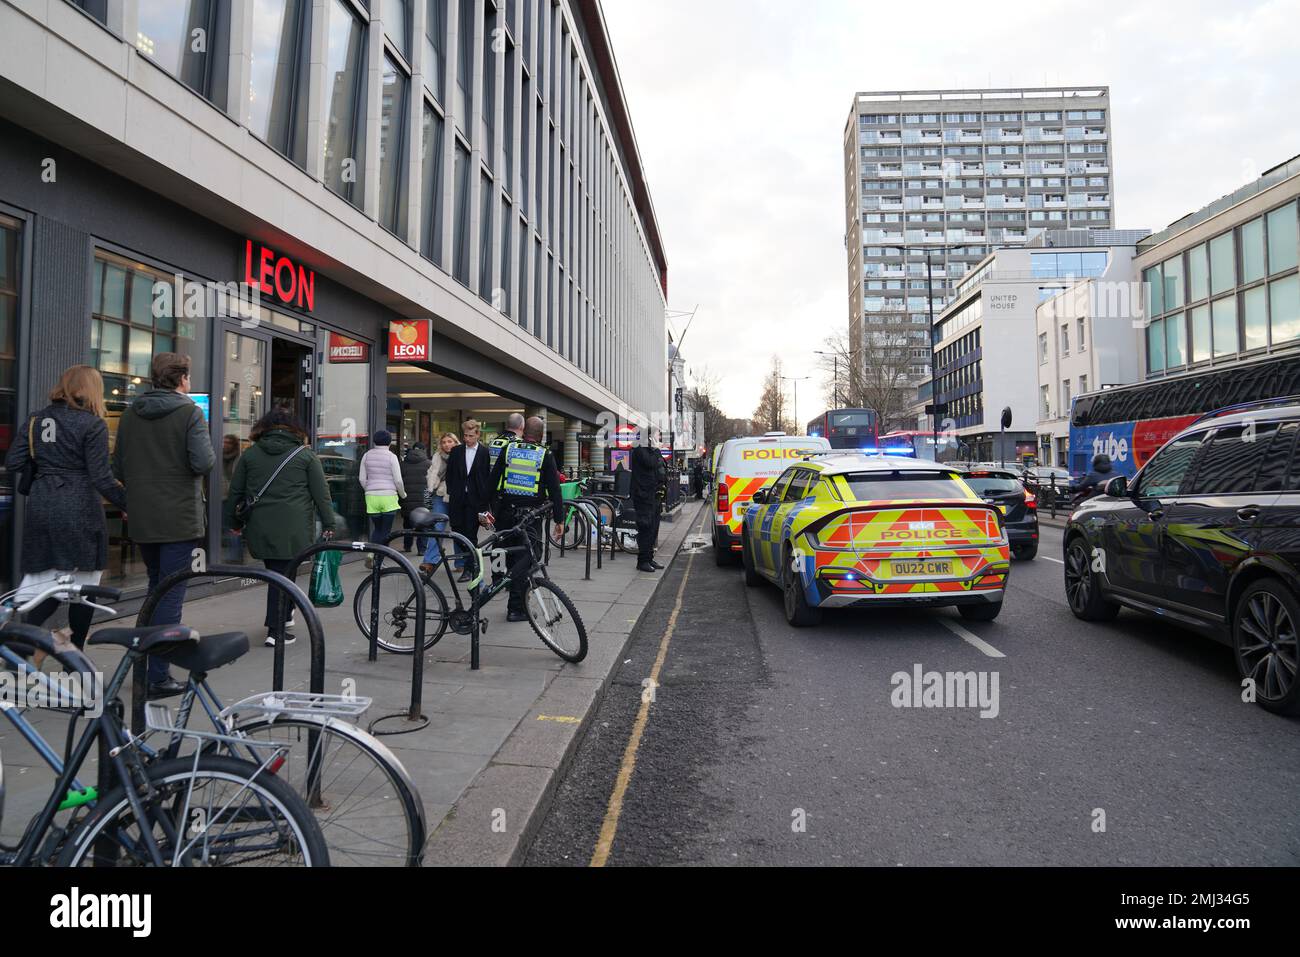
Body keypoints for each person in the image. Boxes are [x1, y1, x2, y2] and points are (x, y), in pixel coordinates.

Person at [111, 352, 215, 699]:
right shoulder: (189, 413)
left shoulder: (130, 415)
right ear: (182, 378)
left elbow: (119, 469)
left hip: (143, 517)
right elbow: (203, 461)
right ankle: (157, 676)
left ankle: (145, 664)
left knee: (156, 589)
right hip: (178, 519)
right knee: (170, 593)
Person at [5, 366, 128, 656]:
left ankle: (18, 657)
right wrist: (129, 505)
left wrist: (46, 470)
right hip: (79, 510)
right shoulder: (92, 424)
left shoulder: (36, 419)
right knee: (83, 591)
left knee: (44, 585)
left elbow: (13, 462)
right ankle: (76, 661)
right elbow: (100, 477)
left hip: (42, 506)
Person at [224, 409, 341, 646]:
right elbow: (322, 494)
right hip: (294, 527)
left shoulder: (251, 454)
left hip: (260, 526)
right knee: (284, 575)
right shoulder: (305, 456)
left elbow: (235, 492)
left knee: (278, 573)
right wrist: (329, 523)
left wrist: (234, 523)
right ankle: (275, 632)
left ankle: (285, 616)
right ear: (295, 430)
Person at [486, 416, 566, 622]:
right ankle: (516, 607)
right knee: (529, 556)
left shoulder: (509, 449)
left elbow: (493, 480)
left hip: (505, 513)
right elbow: (555, 490)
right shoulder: (544, 455)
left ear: (524, 431)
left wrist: (485, 509)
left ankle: (500, 584)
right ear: (540, 436)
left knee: (507, 553)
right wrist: (560, 519)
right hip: (529, 517)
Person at [445, 418, 493, 582]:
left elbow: (486, 476)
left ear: (478, 435)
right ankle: (471, 562)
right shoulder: (456, 451)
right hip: (458, 499)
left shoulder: (484, 452)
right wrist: (452, 491)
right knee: (458, 532)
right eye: (465, 435)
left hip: (476, 500)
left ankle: (469, 568)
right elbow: (449, 474)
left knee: (471, 534)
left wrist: (485, 500)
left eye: (471, 436)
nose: (467, 439)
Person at [359, 430, 405, 556]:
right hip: (388, 497)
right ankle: (378, 559)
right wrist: (402, 494)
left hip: (371, 497)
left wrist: (369, 489)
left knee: (377, 529)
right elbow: (398, 480)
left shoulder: (366, 455)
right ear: (390, 442)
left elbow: (362, 479)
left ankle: (372, 554)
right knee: (385, 531)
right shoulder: (392, 457)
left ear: (374, 441)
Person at [419, 432, 459, 574]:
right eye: (444, 442)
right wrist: (432, 483)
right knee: (437, 526)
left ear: (455, 442)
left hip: (455, 495)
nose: (447, 444)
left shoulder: (461, 454)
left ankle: (460, 561)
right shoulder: (437, 456)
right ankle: (430, 560)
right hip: (439, 494)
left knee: (458, 528)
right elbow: (431, 473)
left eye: (450, 441)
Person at [630, 435, 667, 573]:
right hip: (643, 495)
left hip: (653, 495)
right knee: (646, 527)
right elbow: (650, 463)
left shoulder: (649, 450)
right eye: (655, 437)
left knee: (653, 528)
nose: (657, 439)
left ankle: (649, 558)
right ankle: (643, 561)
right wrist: (657, 450)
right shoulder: (639, 449)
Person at [399, 442, 431, 553]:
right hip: (423, 499)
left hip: (406, 498)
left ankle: (407, 546)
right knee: (423, 524)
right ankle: (421, 549)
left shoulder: (402, 464)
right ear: (424, 450)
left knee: (407, 523)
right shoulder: (428, 464)